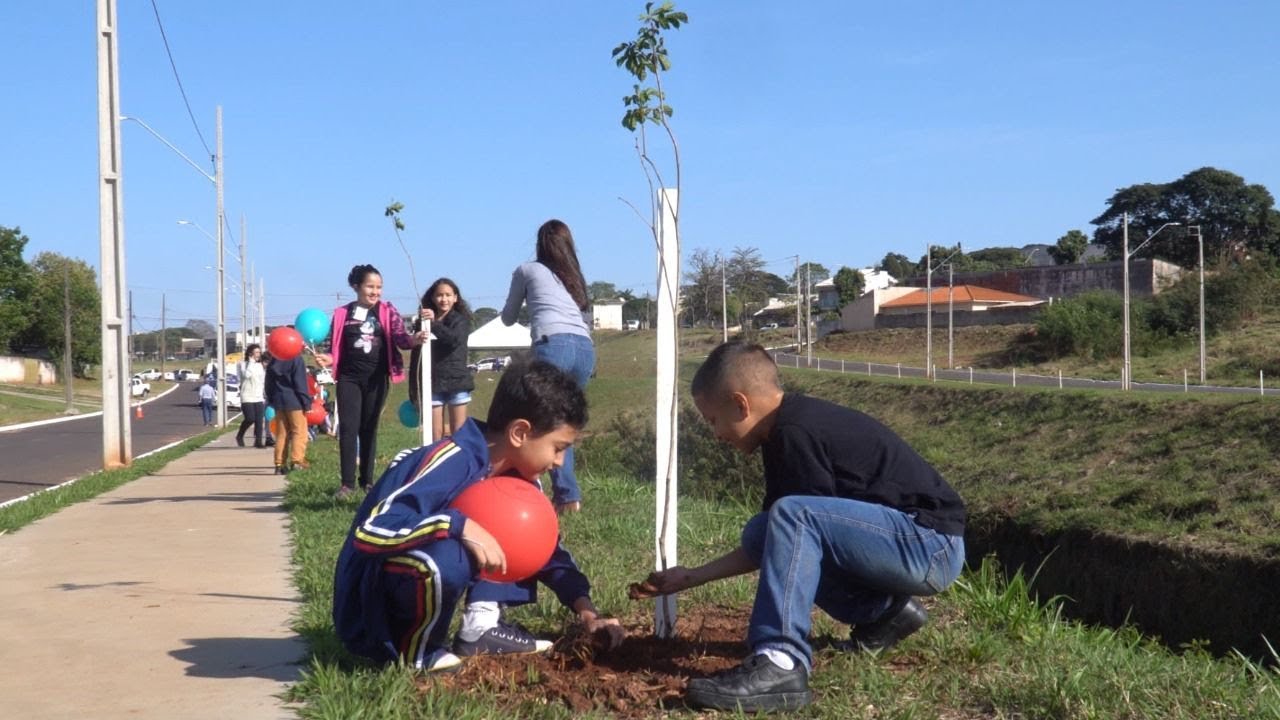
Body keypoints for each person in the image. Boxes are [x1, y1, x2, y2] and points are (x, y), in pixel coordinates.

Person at [630, 342, 967, 713]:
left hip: (928, 543)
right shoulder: (782, 433)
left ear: (741, 405)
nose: (716, 434)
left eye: (713, 420)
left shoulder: (795, 432)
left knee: (791, 516)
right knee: (765, 530)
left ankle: (780, 662)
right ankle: (885, 614)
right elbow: (781, 543)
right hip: (909, 544)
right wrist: (691, 577)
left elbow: (798, 525)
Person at [332, 360, 624, 673]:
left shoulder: (519, 478)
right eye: (558, 448)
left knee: (516, 527)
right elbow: (370, 531)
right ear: (520, 432)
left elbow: (545, 548)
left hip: (407, 573)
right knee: (454, 551)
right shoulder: (452, 460)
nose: (559, 462)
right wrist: (457, 524)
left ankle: (481, 629)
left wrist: (587, 611)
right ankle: (415, 652)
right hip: (367, 606)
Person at [501, 219, 593, 513]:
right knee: (563, 422)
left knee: (535, 420)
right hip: (585, 349)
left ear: (539, 243)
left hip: (553, 344)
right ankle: (569, 496)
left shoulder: (527, 270)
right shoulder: (573, 277)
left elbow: (508, 317)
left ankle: (531, 489)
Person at [318, 264, 427, 499]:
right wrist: (327, 358)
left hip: (377, 379)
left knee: (369, 428)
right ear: (356, 286)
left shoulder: (387, 311)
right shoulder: (341, 314)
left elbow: (401, 339)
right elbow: (333, 348)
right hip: (349, 379)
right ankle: (347, 485)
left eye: (379, 287)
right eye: (370, 286)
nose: (375, 291)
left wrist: (414, 338)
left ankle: (367, 482)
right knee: (348, 429)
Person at [408, 278, 475, 442]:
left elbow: (452, 340)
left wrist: (434, 323)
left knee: (458, 434)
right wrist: (416, 337)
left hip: (457, 383)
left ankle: (458, 465)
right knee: (433, 435)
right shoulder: (423, 321)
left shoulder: (461, 320)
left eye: (448, 295)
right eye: (439, 295)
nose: (443, 299)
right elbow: (416, 354)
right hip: (432, 383)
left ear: (455, 298)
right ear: (432, 298)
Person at [264, 350, 311, 475]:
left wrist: (272, 399)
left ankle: (279, 464)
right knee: (299, 432)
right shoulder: (296, 359)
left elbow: (268, 384)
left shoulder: (274, 359)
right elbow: (300, 383)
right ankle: (297, 461)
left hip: (279, 401)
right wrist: (306, 402)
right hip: (295, 401)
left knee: (281, 434)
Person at [235, 344, 267, 447]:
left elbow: (262, 381)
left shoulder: (259, 366)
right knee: (250, 418)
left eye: (259, 352)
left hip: (258, 396)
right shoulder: (242, 364)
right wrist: (251, 362)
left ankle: (258, 441)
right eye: (257, 352)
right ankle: (240, 435)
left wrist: (264, 393)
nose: (259, 354)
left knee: (259, 420)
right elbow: (246, 375)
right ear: (250, 353)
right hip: (247, 395)